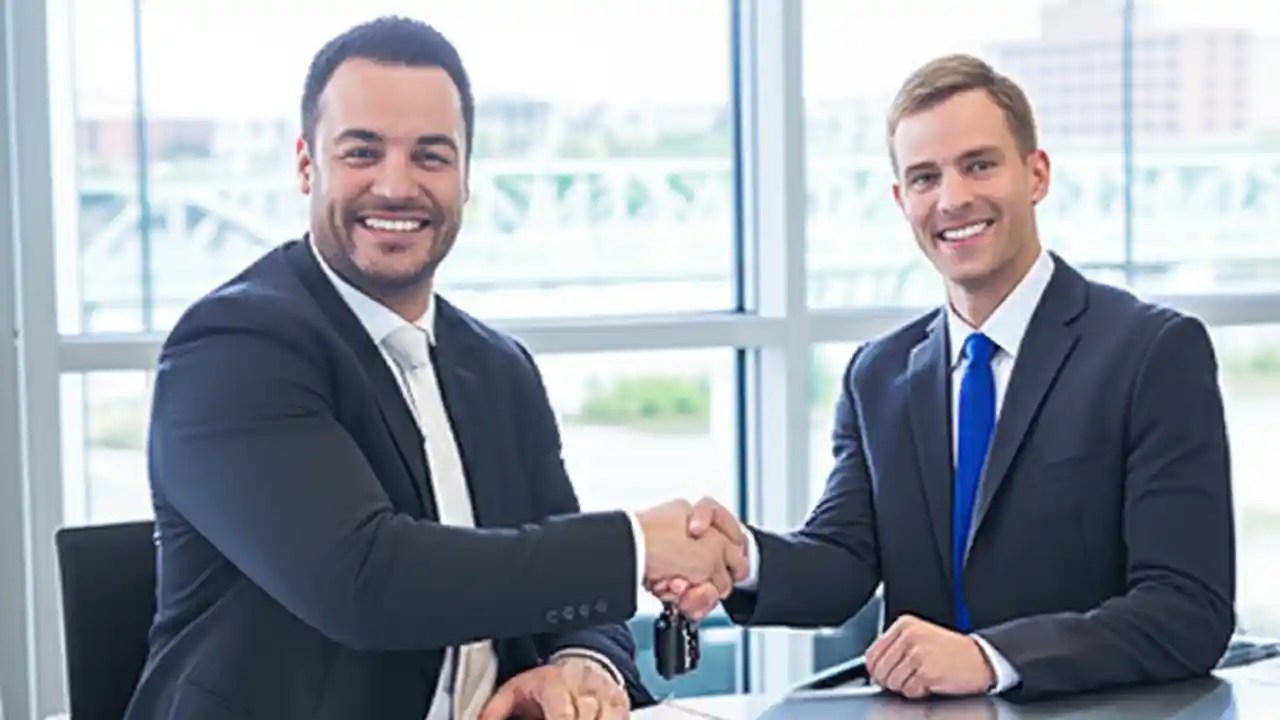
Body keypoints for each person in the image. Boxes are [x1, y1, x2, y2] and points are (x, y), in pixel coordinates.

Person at [125, 16, 746, 720]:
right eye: (362, 152)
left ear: (464, 179)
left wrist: (582, 662)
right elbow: (364, 583)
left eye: (430, 156)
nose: (396, 186)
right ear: (306, 165)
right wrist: (635, 547)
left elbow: (562, 583)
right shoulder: (233, 348)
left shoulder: (499, 367)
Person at [655, 53, 1236, 703]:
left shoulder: (1152, 351)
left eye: (979, 165)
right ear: (902, 200)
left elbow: (1188, 609)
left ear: (1036, 173)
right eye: (925, 177)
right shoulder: (879, 374)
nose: (953, 198)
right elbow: (843, 562)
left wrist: (990, 659)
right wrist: (742, 560)